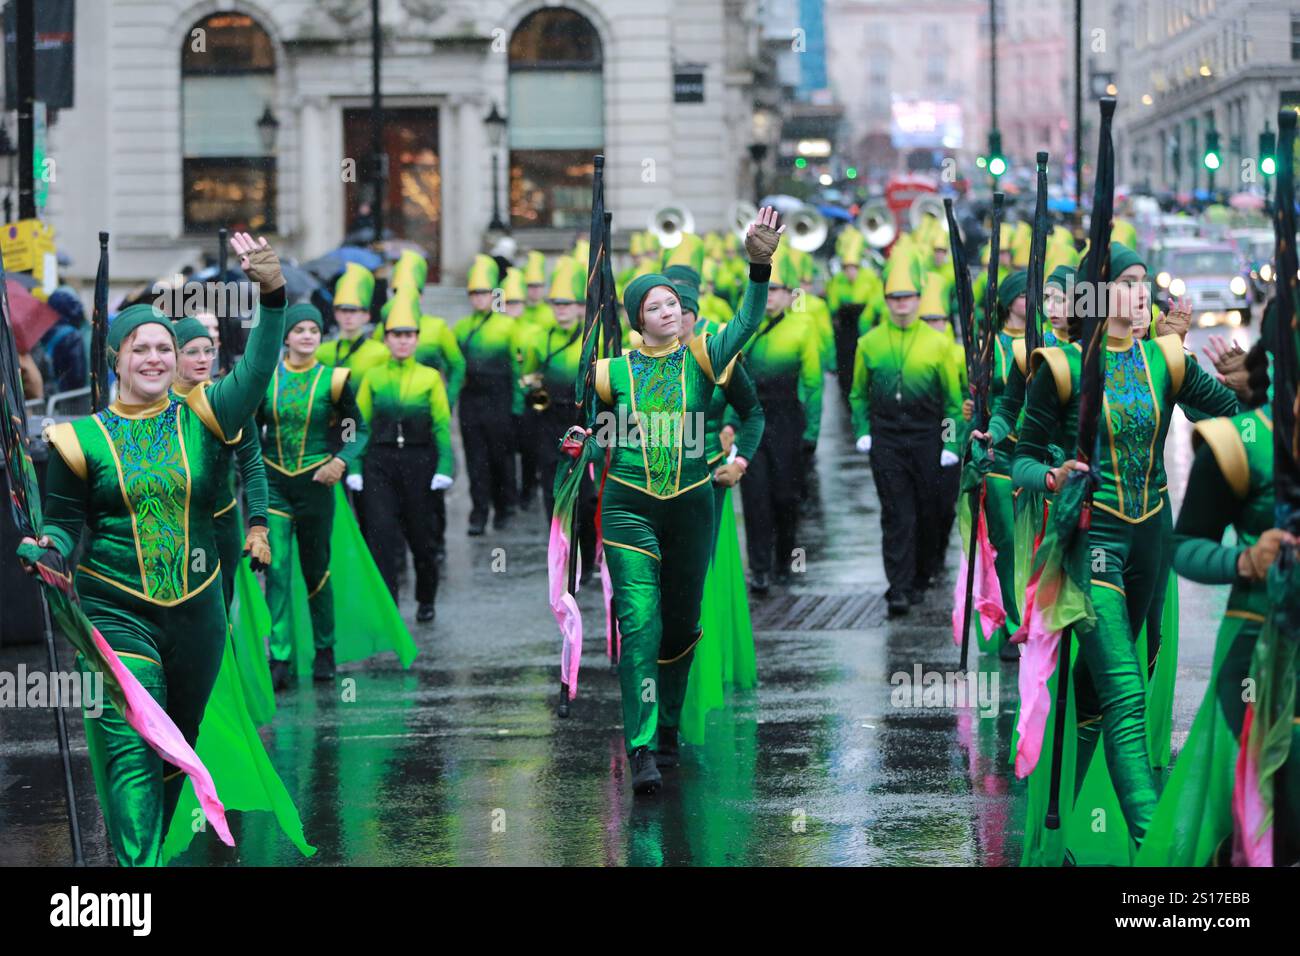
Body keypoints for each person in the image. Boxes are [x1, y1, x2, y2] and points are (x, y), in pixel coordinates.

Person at [25, 233, 287, 865]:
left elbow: (255, 367)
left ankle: (145, 859)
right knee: (132, 747)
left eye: (163, 348)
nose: (153, 357)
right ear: (115, 358)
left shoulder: (209, 415)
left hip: (197, 612)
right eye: (139, 348)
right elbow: (63, 522)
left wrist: (271, 296)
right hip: (115, 610)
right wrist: (46, 545)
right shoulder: (76, 439)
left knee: (178, 746)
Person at [1013, 241, 1242, 850]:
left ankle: (1065, 837)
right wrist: (1054, 476)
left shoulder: (1166, 360)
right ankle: (1154, 849)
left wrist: (1248, 379)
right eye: (1126, 281)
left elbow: (1232, 417)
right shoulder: (1061, 368)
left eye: (1144, 281)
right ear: (1095, 293)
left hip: (1152, 544)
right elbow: (1022, 459)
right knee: (1125, 692)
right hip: (1094, 549)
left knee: (1096, 693)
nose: (1140, 292)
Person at [592, 206, 781, 795]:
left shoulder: (706, 357)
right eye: (656, 306)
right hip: (627, 508)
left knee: (680, 627)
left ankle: (668, 726)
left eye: (674, 303)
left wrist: (759, 265)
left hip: (693, 507)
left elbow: (749, 321)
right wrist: (580, 443)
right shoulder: (608, 372)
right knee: (640, 624)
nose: (669, 311)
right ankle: (642, 745)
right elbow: (593, 434)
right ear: (637, 320)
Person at [1137, 331, 1300, 865]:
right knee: (1254, 814)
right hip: (1258, 650)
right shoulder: (1240, 442)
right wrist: (1245, 560)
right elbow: (1184, 548)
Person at [259, 302, 369, 688]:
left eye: (314, 330)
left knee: (316, 569)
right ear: (286, 336)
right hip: (274, 485)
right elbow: (248, 436)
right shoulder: (265, 378)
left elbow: (357, 429)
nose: (307, 336)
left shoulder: (335, 380)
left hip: (317, 484)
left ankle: (325, 650)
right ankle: (281, 657)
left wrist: (340, 461)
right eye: (300, 329)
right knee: (275, 570)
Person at [851, 253, 962, 617]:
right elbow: (856, 393)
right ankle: (897, 587)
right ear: (886, 301)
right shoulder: (869, 343)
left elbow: (952, 400)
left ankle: (921, 576)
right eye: (894, 298)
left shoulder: (939, 343)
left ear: (918, 298)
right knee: (897, 513)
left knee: (929, 511)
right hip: (887, 438)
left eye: (908, 297)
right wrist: (864, 430)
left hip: (928, 435)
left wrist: (950, 442)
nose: (901, 305)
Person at [349, 289, 455, 625]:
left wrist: (445, 465)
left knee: (422, 538)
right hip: (379, 463)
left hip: (419, 461)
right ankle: (387, 605)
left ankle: (426, 598)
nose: (403, 342)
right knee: (381, 537)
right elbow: (360, 424)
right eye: (396, 335)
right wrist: (353, 464)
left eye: (409, 335)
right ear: (386, 338)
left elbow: (441, 425)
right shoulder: (374, 376)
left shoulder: (428, 378)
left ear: (417, 339)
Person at [169, 317, 270, 611]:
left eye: (208, 351)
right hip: (171, 527)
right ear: (173, 355)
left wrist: (258, 526)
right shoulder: (154, 403)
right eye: (192, 352)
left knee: (218, 611)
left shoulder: (229, 399)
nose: (203, 360)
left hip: (220, 525)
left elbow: (252, 464)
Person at [737, 245, 822, 593]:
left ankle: (785, 560)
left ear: (789, 295)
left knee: (786, 497)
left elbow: (814, 384)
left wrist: (811, 432)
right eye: (765, 289)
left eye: (776, 290)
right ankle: (758, 568)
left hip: (788, 417)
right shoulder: (743, 324)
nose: (770, 297)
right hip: (752, 417)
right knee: (755, 497)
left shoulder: (803, 329)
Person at [455, 254, 519, 535]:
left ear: (493, 294)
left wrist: (516, 405)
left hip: (500, 397)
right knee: (475, 458)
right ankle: (479, 511)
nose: (478, 298)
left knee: (500, 456)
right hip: (471, 399)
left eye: (483, 293)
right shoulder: (460, 328)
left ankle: (503, 507)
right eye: (474, 293)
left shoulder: (507, 326)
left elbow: (518, 370)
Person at [317, 263, 390, 376]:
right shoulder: (321, 352)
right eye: (343, 310)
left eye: (354, 311)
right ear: (336, 314)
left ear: (367, 316)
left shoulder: (381, 353)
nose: (348, 316)